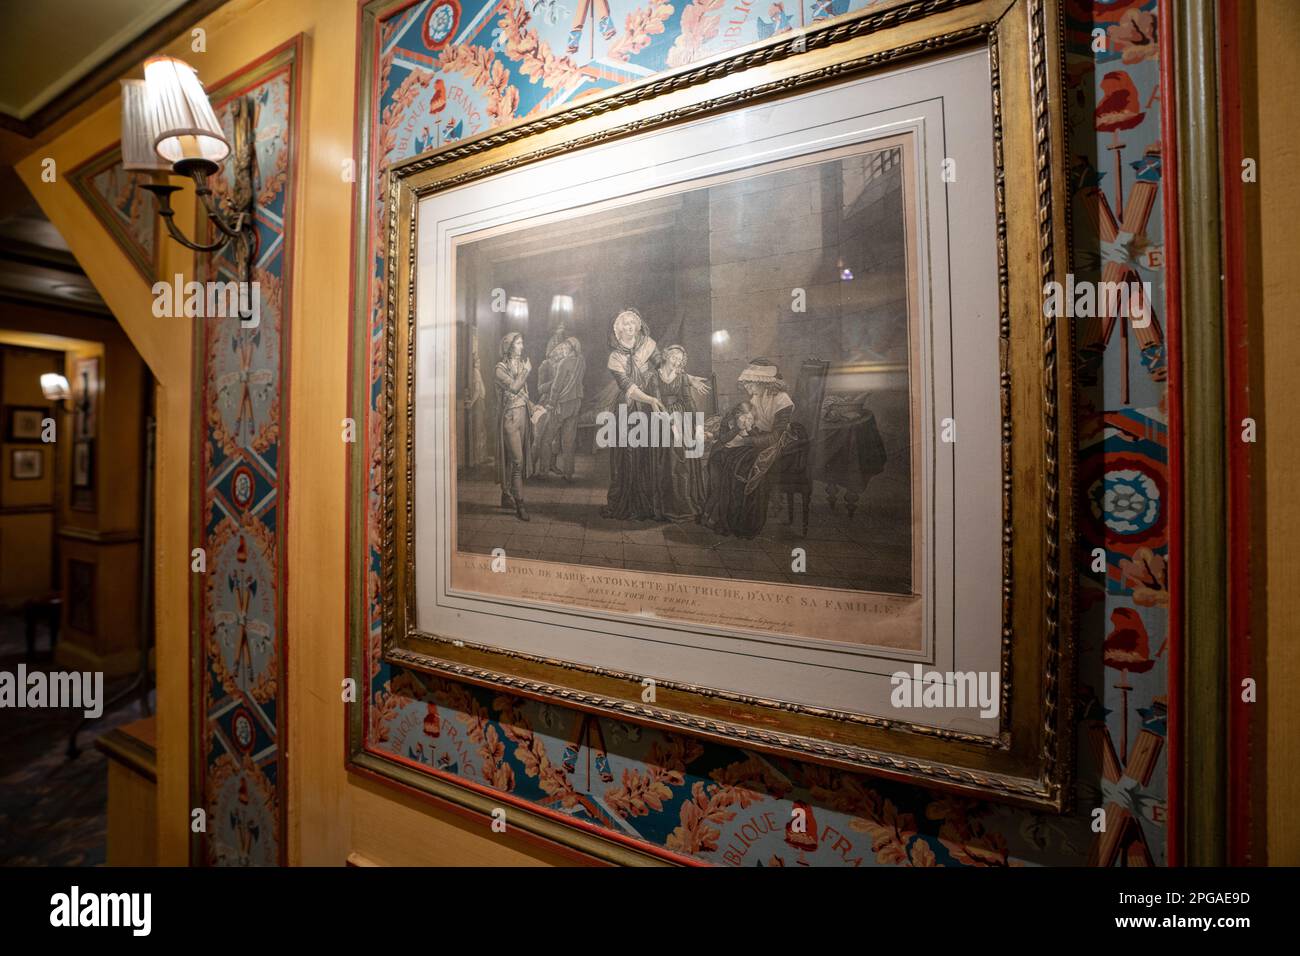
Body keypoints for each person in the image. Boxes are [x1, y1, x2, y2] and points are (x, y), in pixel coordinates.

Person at [700, 359, 795, 538]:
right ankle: (719, 515)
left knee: (739, 464)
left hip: (774, 446)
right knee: (720, 453)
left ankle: (742, 523)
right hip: (756, 438)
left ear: (763, 382)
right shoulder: (758, 396)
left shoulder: (783, 401)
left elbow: (775, 437)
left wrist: (743, 442)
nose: (747, 388)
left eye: (750, 384)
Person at [600, 308, 665, 520]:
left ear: (637, 326)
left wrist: (687, 378)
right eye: (624, 324)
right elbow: (627, 386)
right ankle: (624, 504)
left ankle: (645, 505)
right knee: (626, 455)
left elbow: (664, 370)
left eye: (631, 323)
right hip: (627, 408)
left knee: (645, 454)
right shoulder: (615, 357)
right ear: (618, 329)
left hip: (647, 409)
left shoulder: (649, 345)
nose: (628, 327)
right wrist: (650, 399)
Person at [652, 344, 707, 520]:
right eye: (674, 356)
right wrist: (666, 418)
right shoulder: (655, 376)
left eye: (680, 359)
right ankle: (665, 505)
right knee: (664, 460)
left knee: (680, 457)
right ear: (666, 356)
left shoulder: (682, 377)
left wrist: (697, 424)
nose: (677, 361)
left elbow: (688, 401)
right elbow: (656, 399)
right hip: (660, 416)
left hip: (680, 416)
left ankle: (683, 503)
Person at [494, 332, 532, 522]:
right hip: (510, 418)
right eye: (518, 343)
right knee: (517, 461)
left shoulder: (519, 364)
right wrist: (526, 372)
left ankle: (505, 494)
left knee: (513, 458)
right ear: (509, 347)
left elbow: (524, 393)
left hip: (523, 414)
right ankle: (520, 505)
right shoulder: (500, 369)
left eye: (522, 342)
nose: (522, 346)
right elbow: (515, 388)